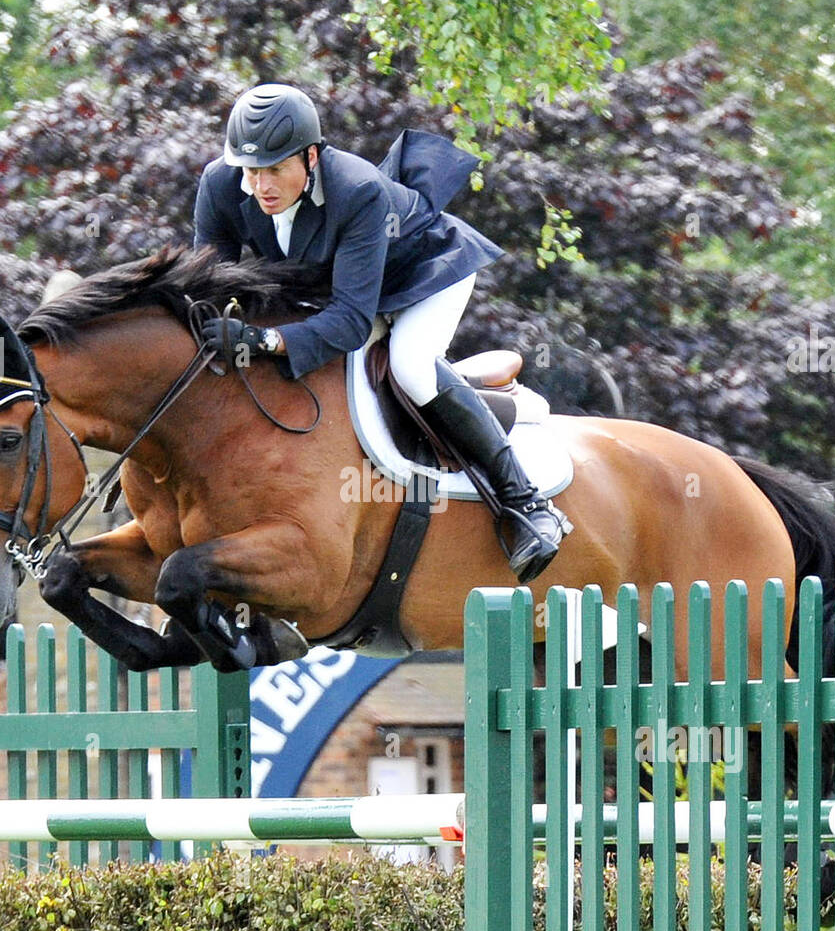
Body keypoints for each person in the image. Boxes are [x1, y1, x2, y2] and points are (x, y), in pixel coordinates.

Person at [194, 83, 569, 581]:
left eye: (275, 169)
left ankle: (526, 504)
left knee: (410, 367)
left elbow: (351, 322)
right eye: (251, 170)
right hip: (339, 284)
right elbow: (210, 285)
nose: (261, 185)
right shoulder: (221, 185)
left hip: (423, 274)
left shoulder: (357, 190)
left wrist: (264, 341)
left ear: (310, 157)